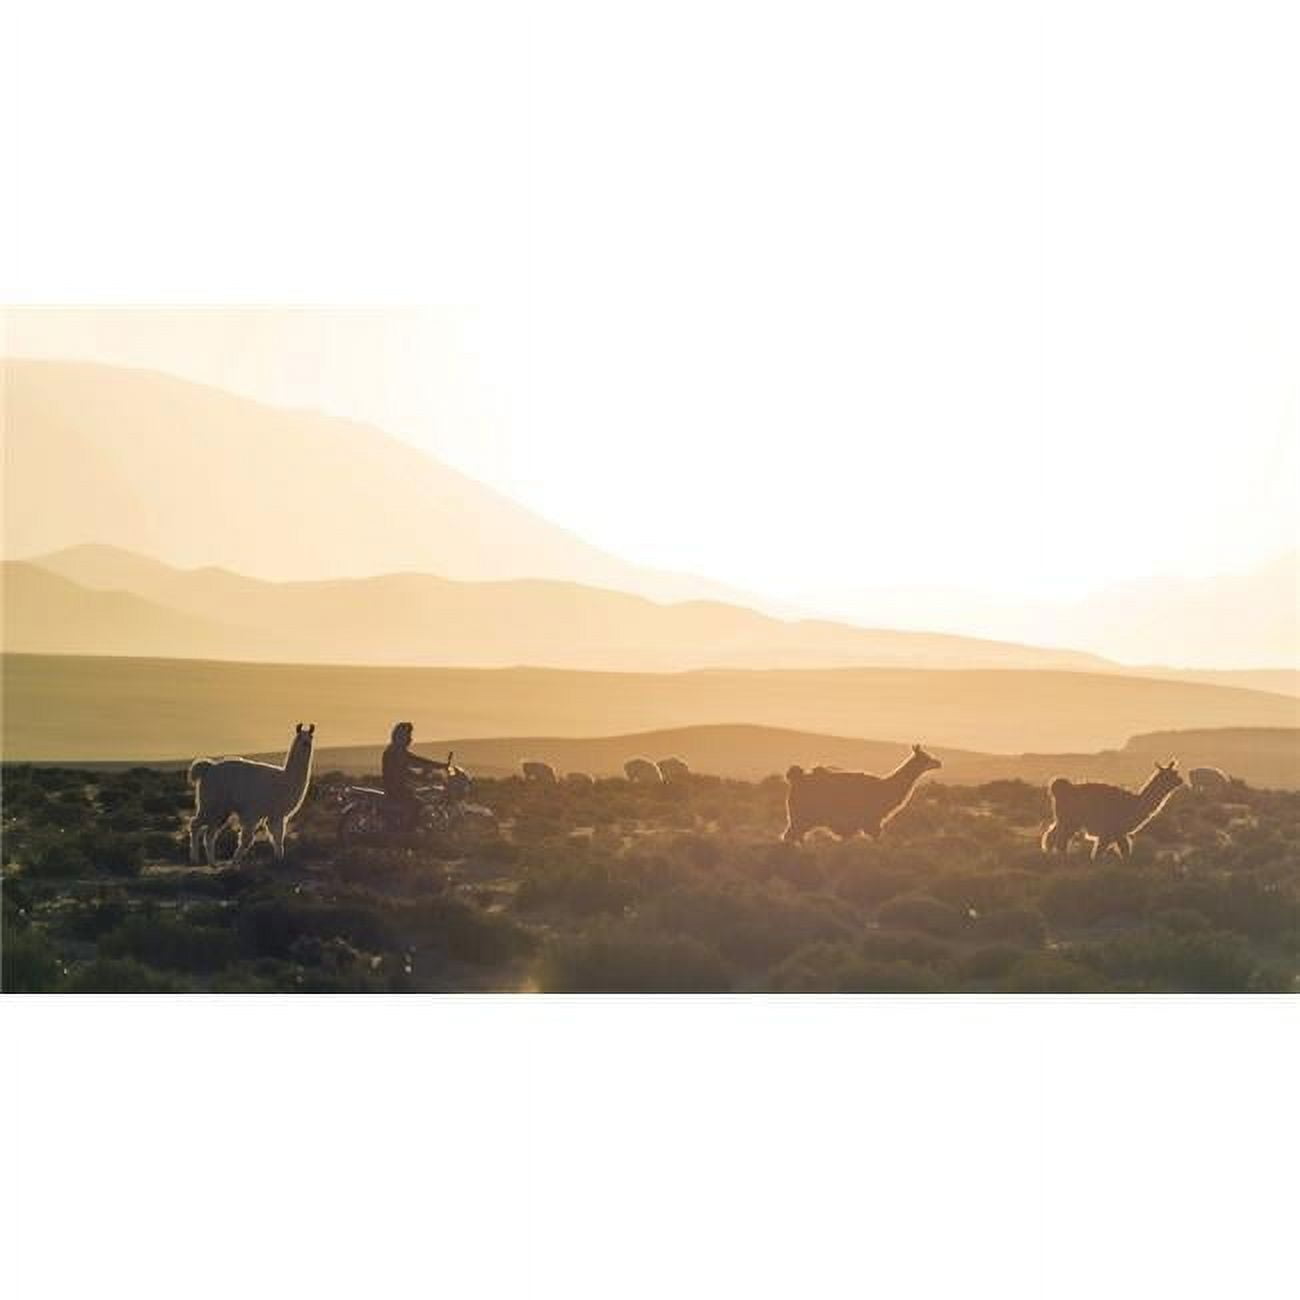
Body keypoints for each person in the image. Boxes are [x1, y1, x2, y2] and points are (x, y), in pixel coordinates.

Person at [382, 721, 448, 830]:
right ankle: (408, 834)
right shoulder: (396, 751)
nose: (410, 738)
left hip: (398, 787)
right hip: (395, 789)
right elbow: (415, 761)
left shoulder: (396, 750)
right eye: (408, 735)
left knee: (422, 795)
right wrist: (438, 766)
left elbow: (405, 770)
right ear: (401, 736)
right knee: (417, 805)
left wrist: (424, 777)